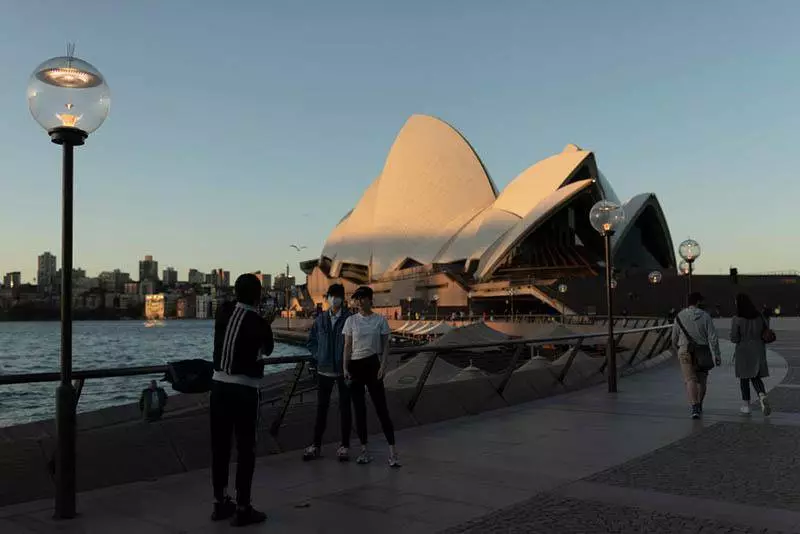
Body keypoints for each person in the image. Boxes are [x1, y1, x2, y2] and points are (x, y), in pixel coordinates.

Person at [209, 273, 275, 526]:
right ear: (258, 295)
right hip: (244, 389)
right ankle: (243, 508)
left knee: (220, 447)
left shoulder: (223, 312)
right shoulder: (258, 323)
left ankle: (220, 502)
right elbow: (267, 349)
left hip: (218, 386)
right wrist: (266, 322)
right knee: (245, 448)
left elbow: (233, 324)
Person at [343, 286, 400, 468]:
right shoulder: (351, 321)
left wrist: (383, 366)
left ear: (370, 299)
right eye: (357, 298)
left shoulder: (380, 320)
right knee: (359, 410)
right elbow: (347, 346)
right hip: (355, 365)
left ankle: (393, 452)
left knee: (381, 408)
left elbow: (385, 347)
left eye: (362, 298)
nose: (359, 302)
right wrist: (345, 367)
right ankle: (364, 451)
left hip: (372, 364)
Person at [303, 283, 353, 461]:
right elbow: (311, 342)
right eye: (332, 295)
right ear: (328, 298)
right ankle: (316, 445)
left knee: (345, 409)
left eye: (337, 295)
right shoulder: (321, 319)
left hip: (343, 371)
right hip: (323, 370)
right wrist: (319, 355)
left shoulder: (350, 318)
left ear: (342, 298)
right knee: (321, 409)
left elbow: (355, 343)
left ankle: (345, 446)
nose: (334, 299)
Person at [672, 292, 722, 419]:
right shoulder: (706, 316)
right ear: (698, 302)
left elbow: (674, 337)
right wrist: (717, 355)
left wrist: (676, 348)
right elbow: (713, 337)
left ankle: (694, 407)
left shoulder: (679, 316)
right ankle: (699, 405)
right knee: (702, 380)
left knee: (690, 379)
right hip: (702, 351)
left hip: (684, 350)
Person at [731, 293, 772, 416]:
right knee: (755, 376)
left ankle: (746, 405)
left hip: (743, 350)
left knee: (744, 378)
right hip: (758, 349)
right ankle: (761, 394)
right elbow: (766, 330)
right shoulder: (759, 316)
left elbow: (734, 338)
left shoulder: (736, 319)